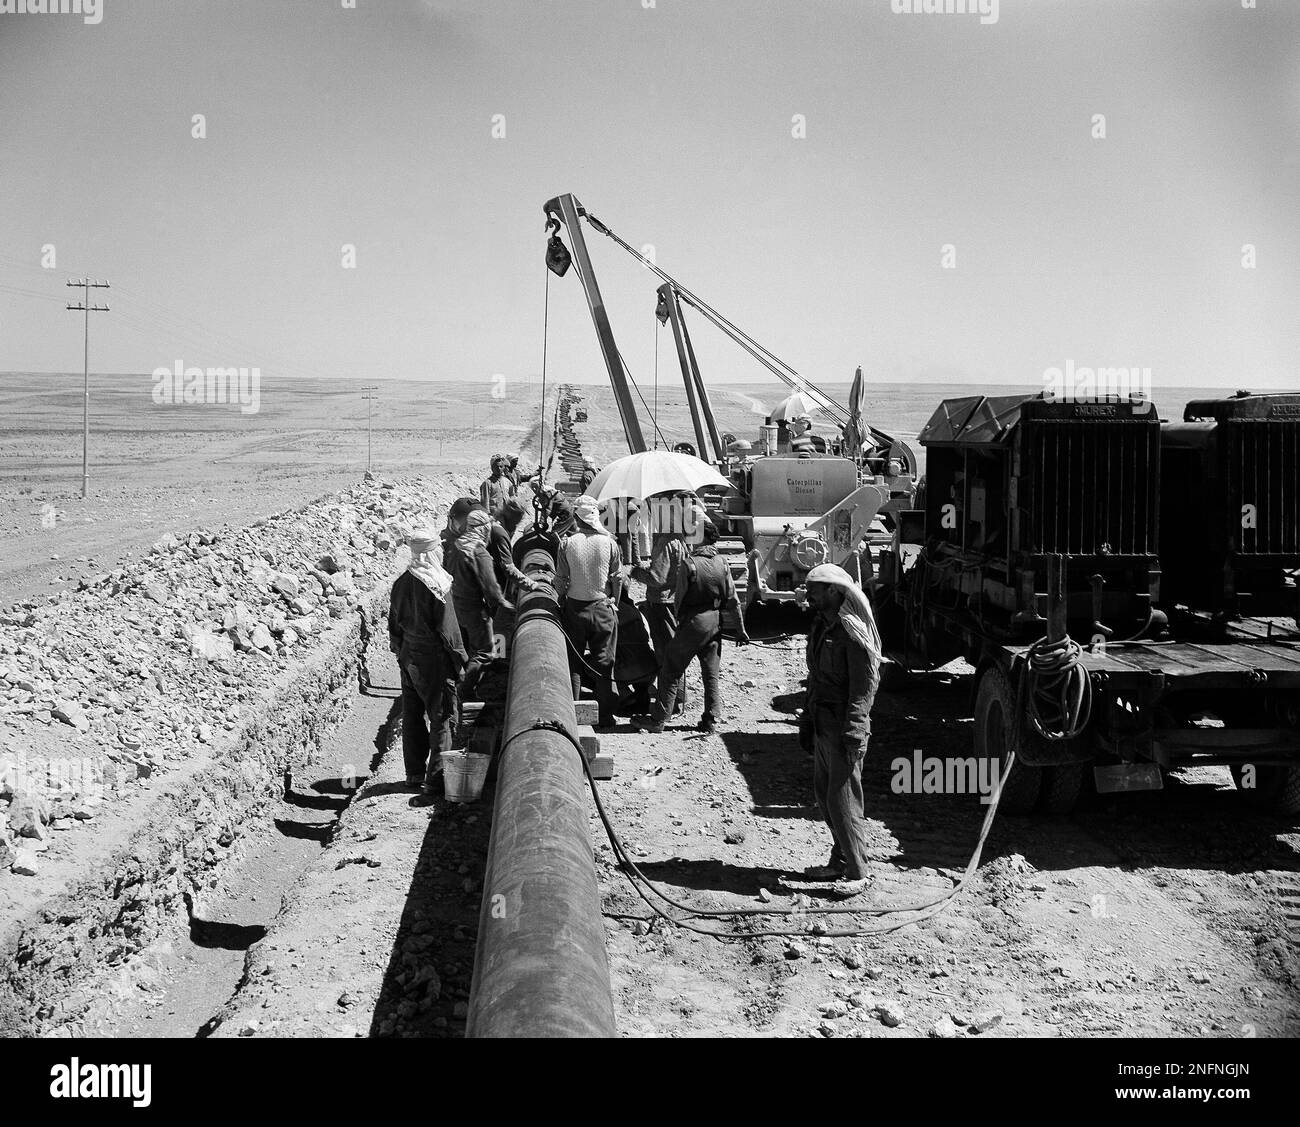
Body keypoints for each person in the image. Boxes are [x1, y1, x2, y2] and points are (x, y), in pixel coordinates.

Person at [799, 563, 881, 899]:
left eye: (815, 590)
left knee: (842, 799)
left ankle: (859, 871)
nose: (809, 596)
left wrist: (855, 731)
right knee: (824, 794)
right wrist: (807, 717)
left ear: (834, 591)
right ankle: (839, 860)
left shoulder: (851, 632)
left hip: (843, 726)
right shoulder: (822, 627)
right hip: (822, 721)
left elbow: (864, 689)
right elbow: (816, 678)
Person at [640, 519, 749, 734]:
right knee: (711, 673)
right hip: (715, 623)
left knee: (671, 668)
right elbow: (734, 601)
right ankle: (711, 720)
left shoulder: (690, 564)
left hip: (694, 623)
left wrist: (680, 625)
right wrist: (740, 630)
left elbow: (679, 600)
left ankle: (659, 719)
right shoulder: (723, 563)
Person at [388, 529, 467, 794]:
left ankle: (413, 774)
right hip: (433, 660)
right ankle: (435, 779)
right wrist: (461, 661)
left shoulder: (401, 583)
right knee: (442, 716)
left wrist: (401, 651)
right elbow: (449, 632)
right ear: (433, 552)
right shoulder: (437, 586)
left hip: (409, 657)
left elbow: (394, 625)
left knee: (412, 715)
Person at [556, 494, 621, 729]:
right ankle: (604, 716)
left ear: (576, 517)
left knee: (573, 662)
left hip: (575, 609)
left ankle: (572, 713)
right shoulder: (609, 543)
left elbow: (561, 580)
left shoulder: (567, 543)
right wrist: (615, 599)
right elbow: (617, 578)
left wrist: (562, 600)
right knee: (604, 662)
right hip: (603, 608)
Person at [449, 508, 511, 696]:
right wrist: (500, 604)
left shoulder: (457, 546)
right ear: (483, 529)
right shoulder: (479, 552)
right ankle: (464, 693)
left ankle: (463, 681)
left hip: (456, 604)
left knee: (469, 648)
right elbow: (491, 587)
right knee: (485, 652)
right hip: (475, 609)